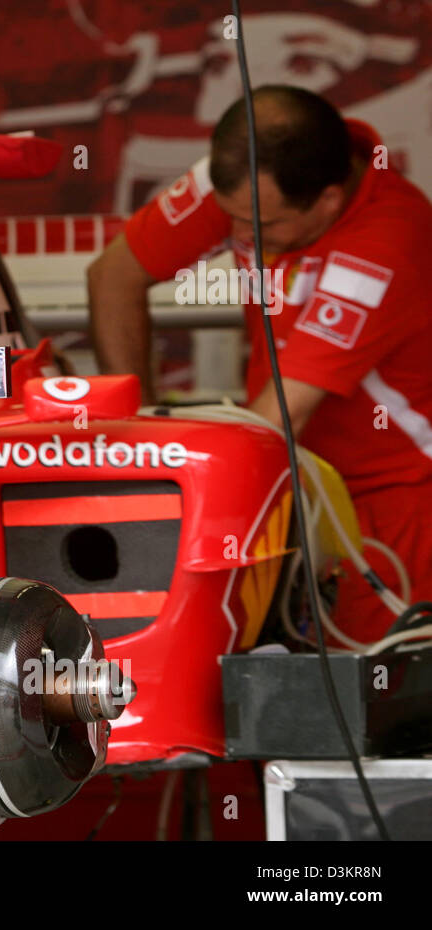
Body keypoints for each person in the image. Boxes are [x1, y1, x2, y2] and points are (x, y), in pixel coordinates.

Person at [87, 85, 432, 645]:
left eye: (262, 227)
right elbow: (113, 276)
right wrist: (134, 432)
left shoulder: (386, 243)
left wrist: (162, 490)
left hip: (392, 501)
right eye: (231, 218)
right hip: (294, 487)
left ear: (327, 200)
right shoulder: (247, 182)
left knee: (371, 707)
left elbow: (273, 420)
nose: (240, 236)